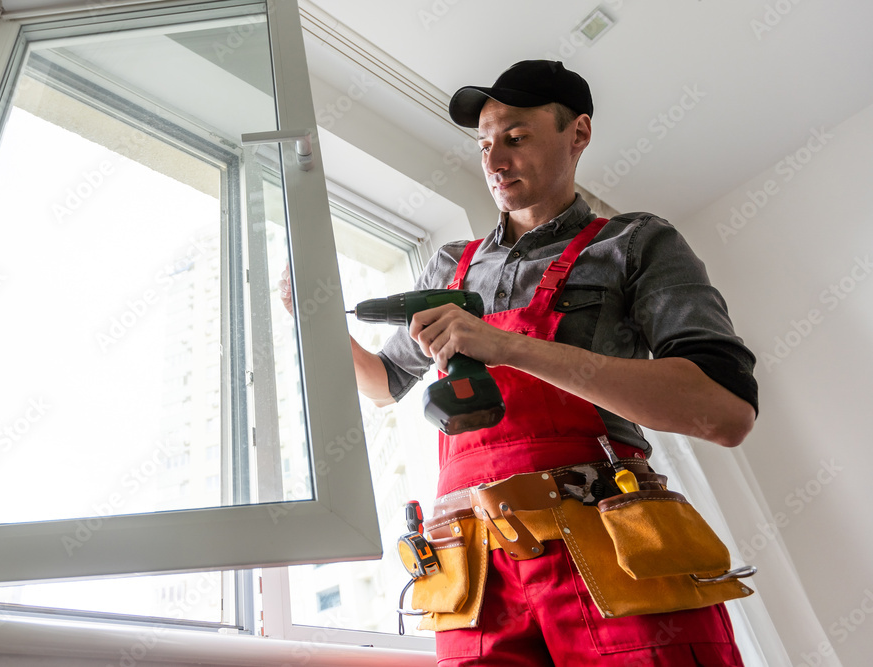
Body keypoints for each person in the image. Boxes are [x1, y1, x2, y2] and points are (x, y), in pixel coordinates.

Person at [282, 60, 758, 666]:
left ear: (578, 133)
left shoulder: (635, 243)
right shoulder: (449, 267)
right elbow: (382, 384)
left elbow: (723, 410)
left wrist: (504, 345)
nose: (494, 161)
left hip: (611, 545)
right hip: (473, 570)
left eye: (515, 137)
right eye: (484, 144)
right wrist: (313, 315)